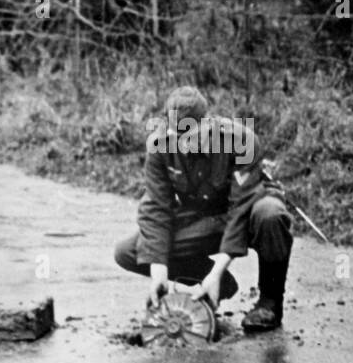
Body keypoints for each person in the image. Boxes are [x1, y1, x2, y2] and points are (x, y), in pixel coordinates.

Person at [114, 86, 291, 332]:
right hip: (204, 216)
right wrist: (159, 273)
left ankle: (269, 303)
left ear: (208, 123)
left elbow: (241, 208)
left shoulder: (241, 140)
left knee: (270, 214)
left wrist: (218, 269)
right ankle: (215, 284)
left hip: (246, 211)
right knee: (129, 251)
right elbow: (155, 207)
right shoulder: (159, 144)